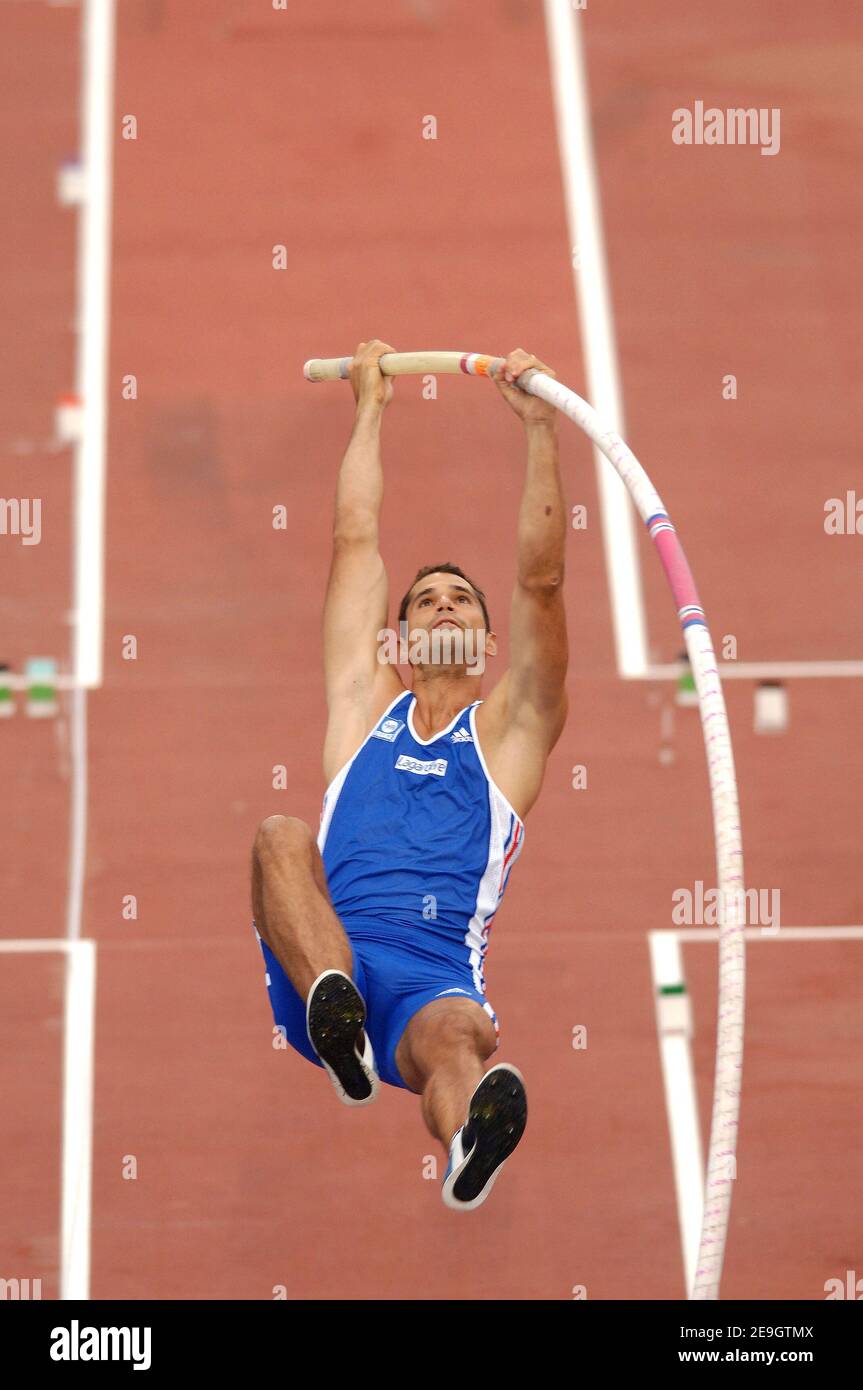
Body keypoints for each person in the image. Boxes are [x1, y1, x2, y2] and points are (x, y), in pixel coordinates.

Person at [251, 339, 568, 1209]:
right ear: (396, 640)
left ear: (486, 641)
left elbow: (540, 582)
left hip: (431, 978)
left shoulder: (508, 736)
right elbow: (354, 538)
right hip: (326, 948)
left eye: (460, 598)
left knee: (459, 1037)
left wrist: (539, 432)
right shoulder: (364, 710)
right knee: (280, 837)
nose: (441, 603)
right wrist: (370, 405)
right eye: (424, 597)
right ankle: (335, 1011)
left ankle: (466, 1145)